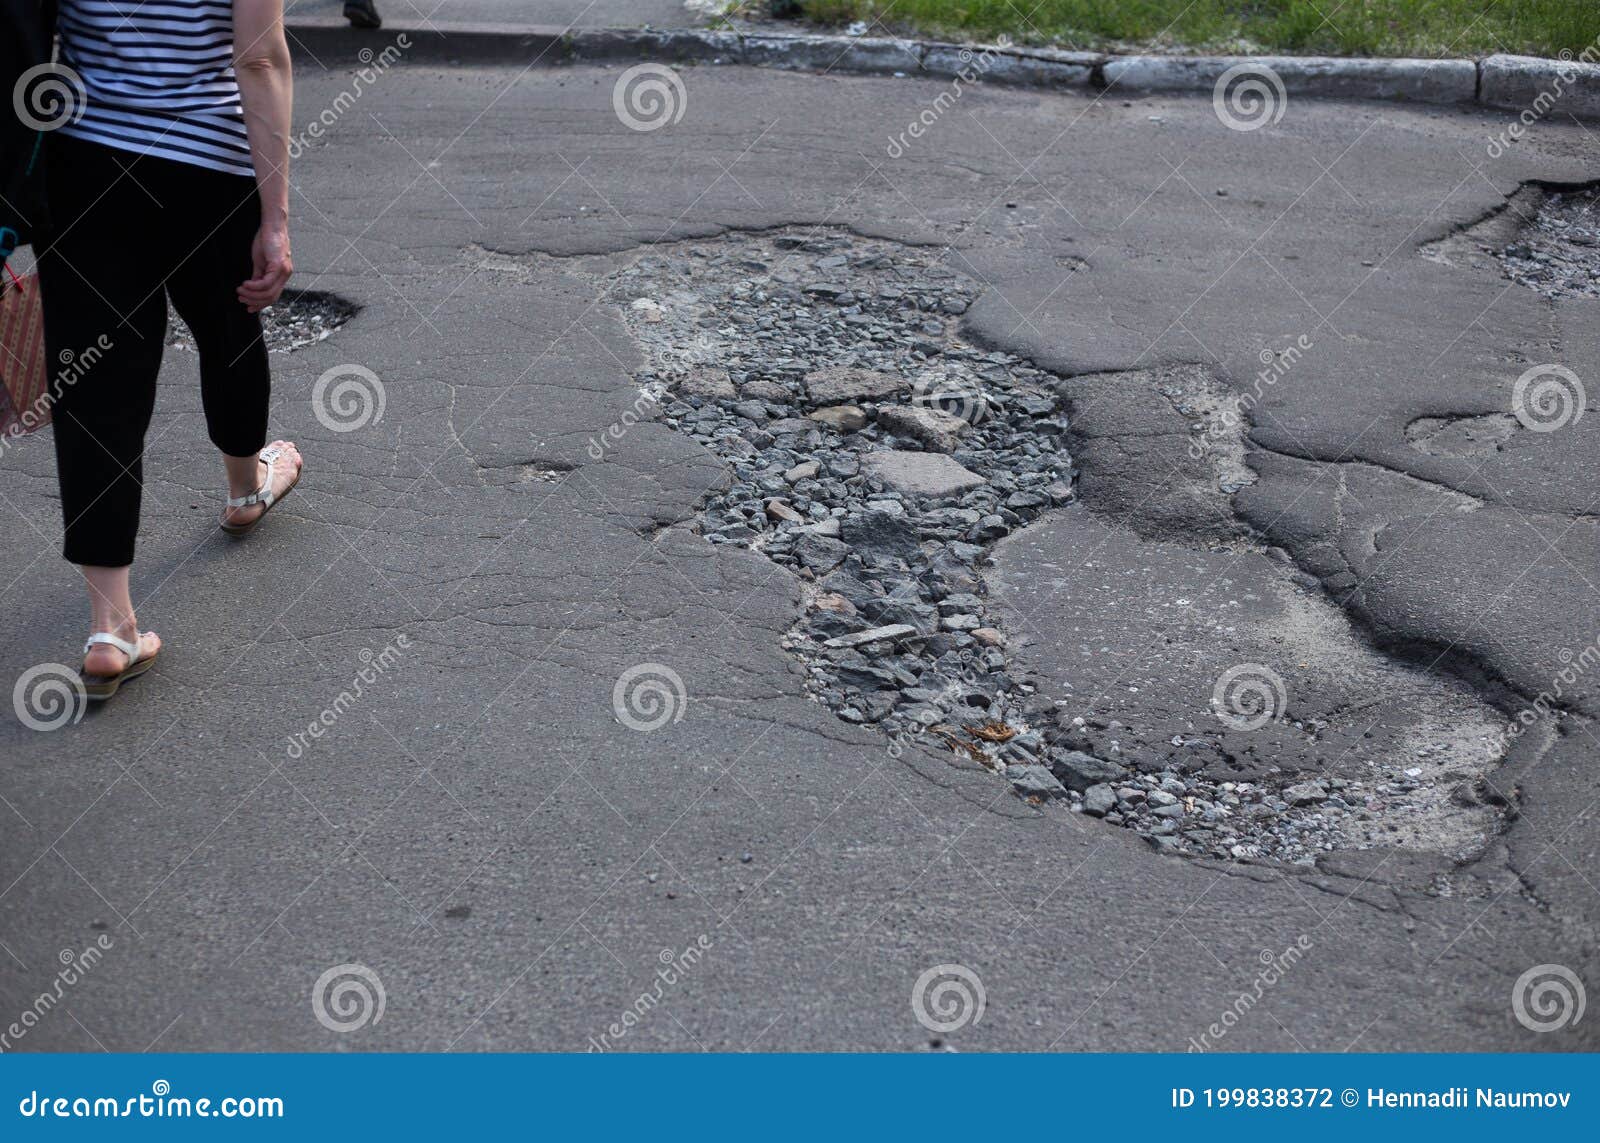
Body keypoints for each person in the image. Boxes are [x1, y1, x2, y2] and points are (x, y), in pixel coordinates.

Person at [37, 0, 302, 700]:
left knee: (98, 388)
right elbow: (260, 58)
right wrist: (275, 218)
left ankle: (109, 625)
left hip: (85, 162)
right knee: (229, 328)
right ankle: (246, 488)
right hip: (209, 168)